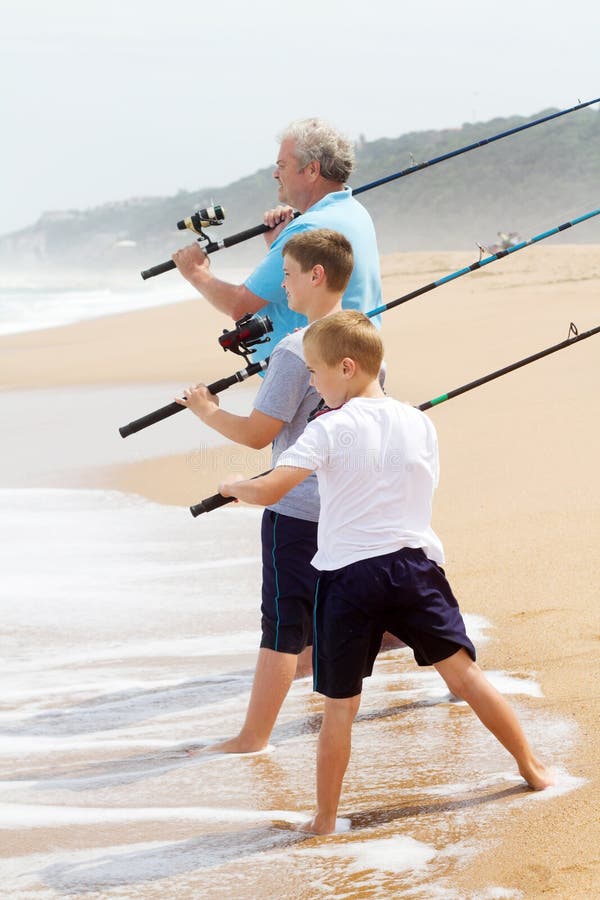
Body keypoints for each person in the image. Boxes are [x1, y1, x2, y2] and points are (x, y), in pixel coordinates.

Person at [218, 310, 554, 833]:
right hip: (415, 569)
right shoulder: (420, 421)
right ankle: (532, 768)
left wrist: (236, 484)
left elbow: (270, 490)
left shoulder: (327, 427)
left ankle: (325, 818)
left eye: (313, 372)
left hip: (349, 579)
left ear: (346, 368)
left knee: (340, 706)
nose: (310, 380)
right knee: (465, 675)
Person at [176, 229, 354, 754]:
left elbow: (258, 433)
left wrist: (206, 409)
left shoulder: (296, 349)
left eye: (288, 274)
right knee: (365, 606)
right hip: (347, 505)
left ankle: (252, 738)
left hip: (295, 508)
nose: (283, 285)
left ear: (315, 276)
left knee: (283, 623)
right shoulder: (364, 342)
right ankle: (462, 684)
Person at [172, 118, 382, 360]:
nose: (275, 174)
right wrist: (280, 245)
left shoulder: (308, 226)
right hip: (355, 361)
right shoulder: (355, 211)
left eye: (282, 165)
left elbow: (239, 305)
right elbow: (319, 277)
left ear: (312, 170)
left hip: (315, 374)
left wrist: (196, 272)